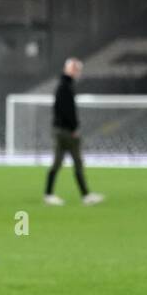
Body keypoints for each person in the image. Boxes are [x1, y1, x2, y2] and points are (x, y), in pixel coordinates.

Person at [44, 57, 103, 205]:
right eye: (76, 69)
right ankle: (84, 196)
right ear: (72, 69)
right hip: (65, 132)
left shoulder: (63, 85)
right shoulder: (65, 87)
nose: (78, 72)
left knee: (60, 163)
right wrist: (73, 128)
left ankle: (50, 194)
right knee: (75, 162)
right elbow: (67, 111)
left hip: (60, 130)